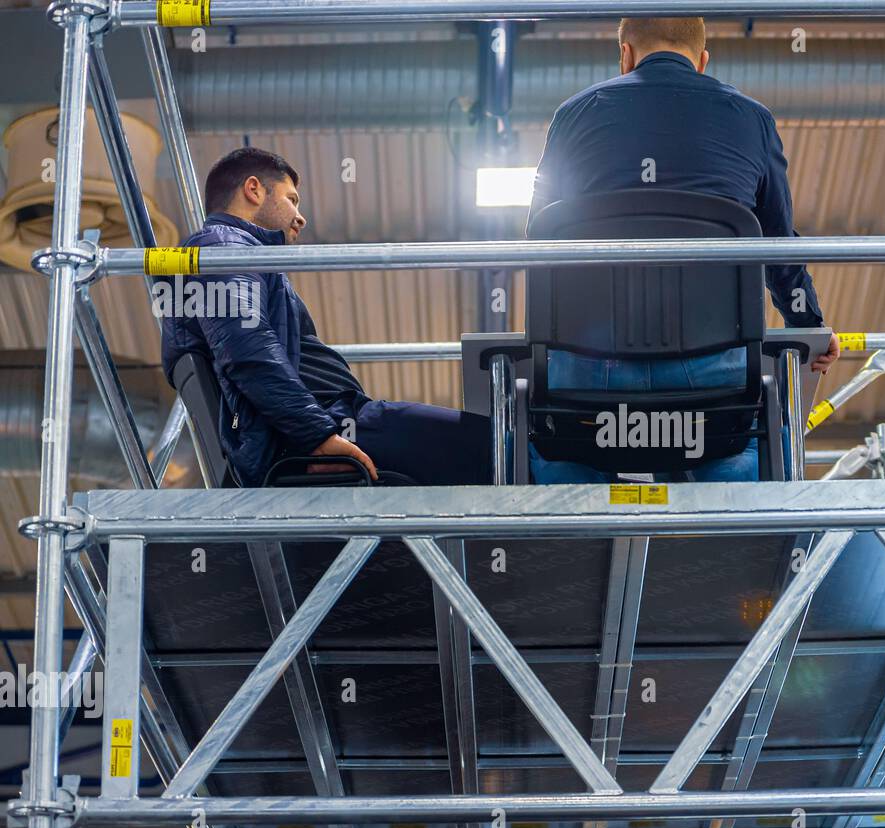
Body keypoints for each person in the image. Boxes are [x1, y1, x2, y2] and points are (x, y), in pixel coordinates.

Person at [526, 16, 840, 483]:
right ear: (702, 61)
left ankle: (579, 537)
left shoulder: (575, 114)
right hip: (712, 379)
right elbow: (777, 246)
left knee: (549, 443)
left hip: (592, 377)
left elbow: (538, 243)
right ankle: (737, 537)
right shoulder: (752, 118)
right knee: (758, 437)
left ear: (626, 56)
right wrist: (810, 327)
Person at [160, 147, 491, 488]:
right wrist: (317, 436)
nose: (300, 217)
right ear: (254, 189)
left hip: (326, 422)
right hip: (321, 429)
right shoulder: (222, 247)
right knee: (495, 448)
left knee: (487, 452)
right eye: (292, 199)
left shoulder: (230, 253)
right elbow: (247, 350)